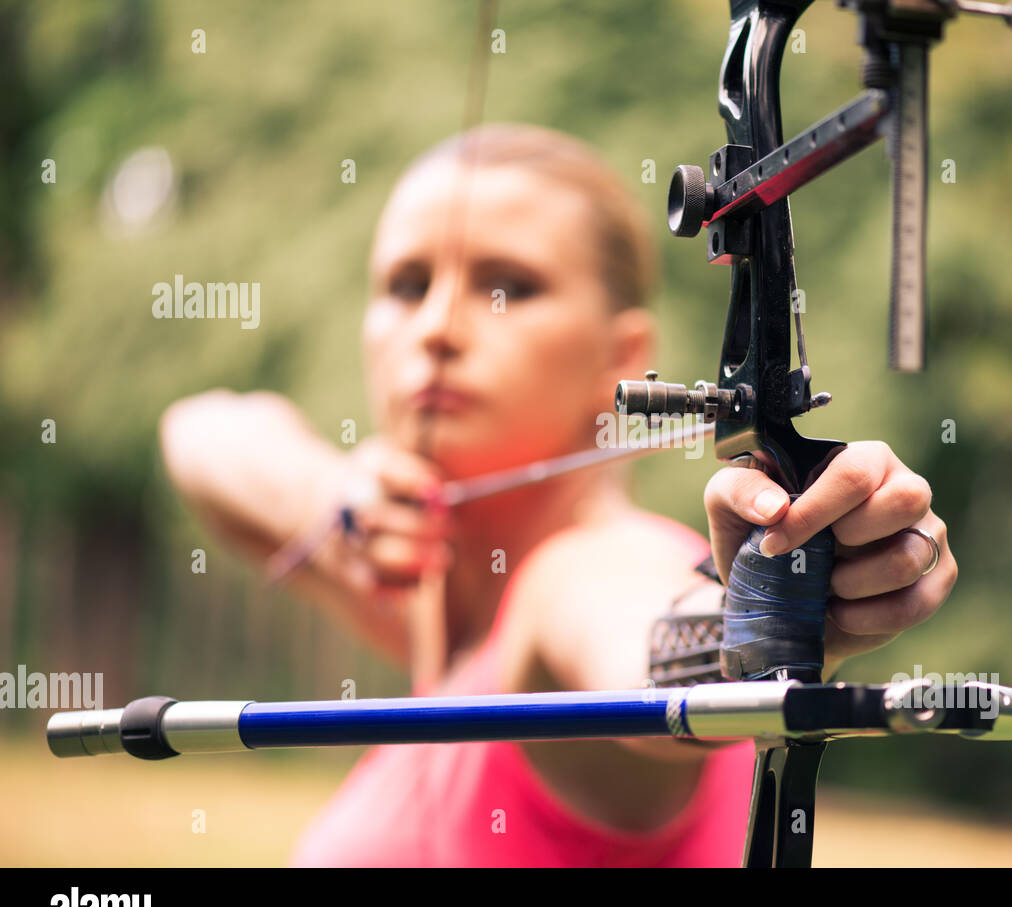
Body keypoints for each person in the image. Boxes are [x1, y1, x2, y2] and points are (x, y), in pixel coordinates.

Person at [158, 123, 957, 866]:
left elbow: (643, 638)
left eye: (509, 285)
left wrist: (772, 612)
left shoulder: (583, 574)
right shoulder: (436, 608)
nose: (436, 326)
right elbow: (199, 431)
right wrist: (330, 492)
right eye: (407, 284)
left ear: (628, 361)